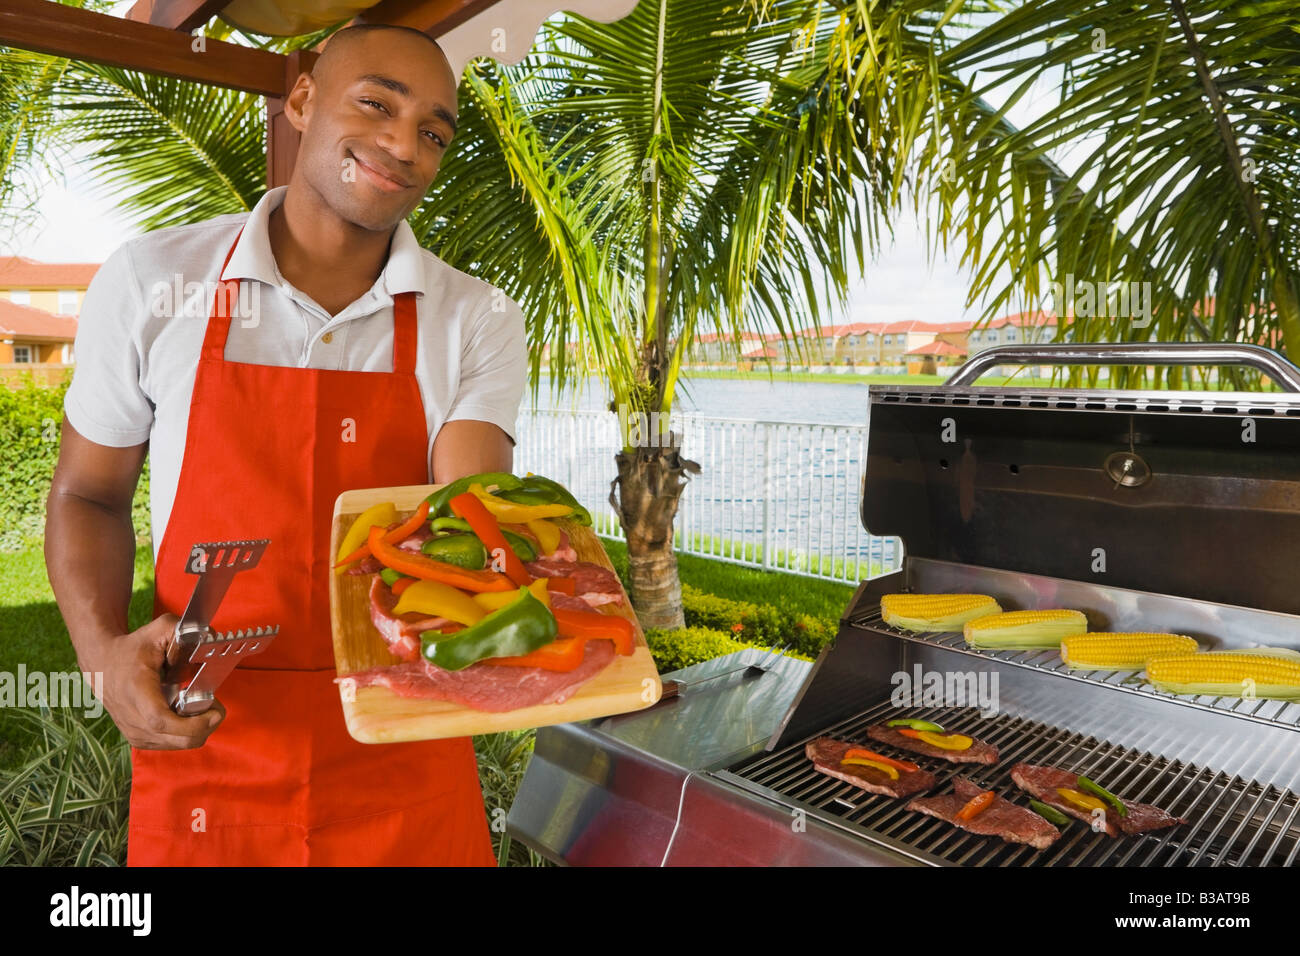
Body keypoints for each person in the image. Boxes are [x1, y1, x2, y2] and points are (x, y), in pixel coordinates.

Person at [44, 23, 526, 866]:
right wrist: (100, 656)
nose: (402, 145)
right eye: (376, 103)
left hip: (402, 738)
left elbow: (467, 507)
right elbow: (89, 494)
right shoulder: (157, 282)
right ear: (301, 100)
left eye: (434, 133)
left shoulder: (475, 317)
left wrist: (547, 598)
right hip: (206, 732)